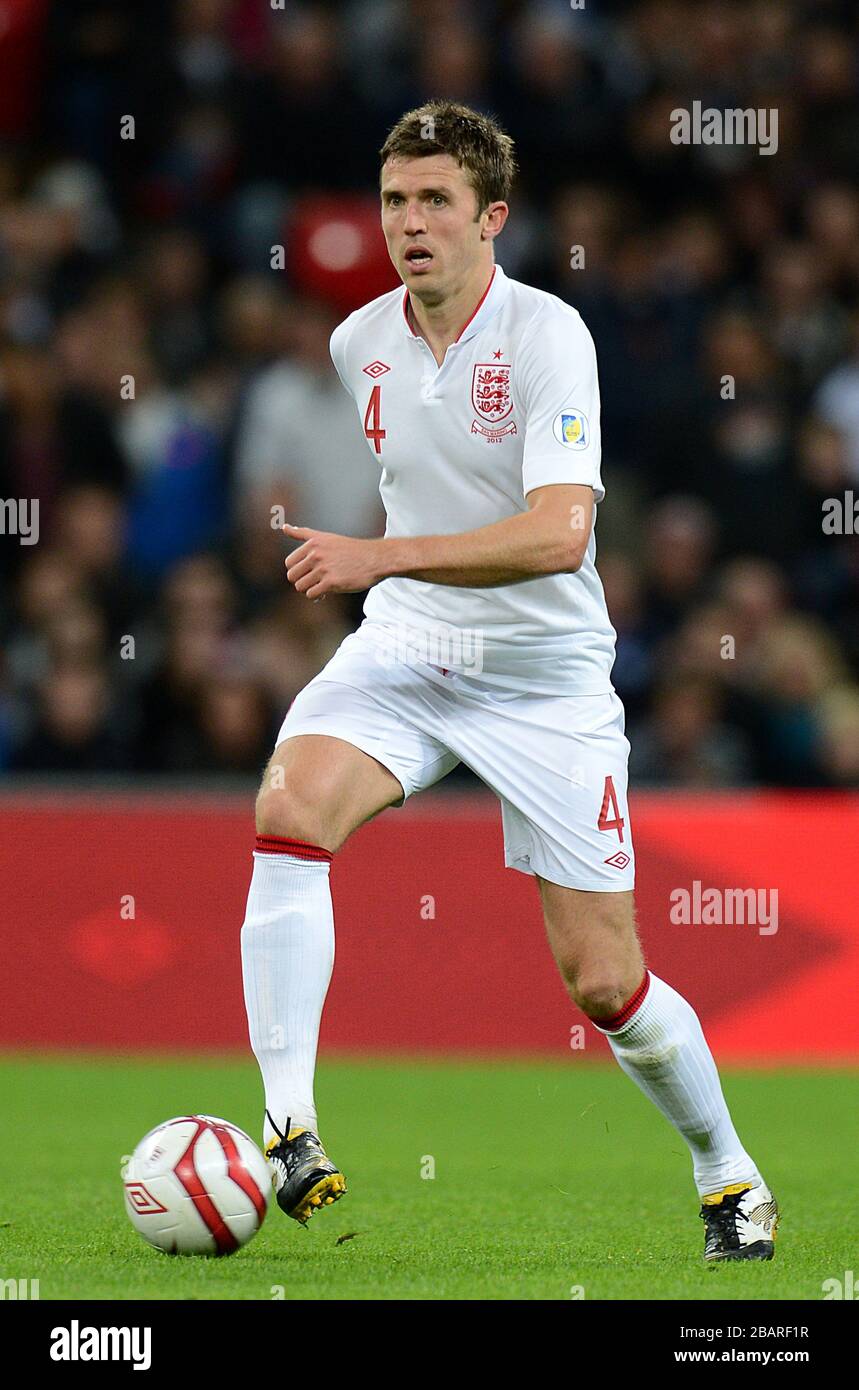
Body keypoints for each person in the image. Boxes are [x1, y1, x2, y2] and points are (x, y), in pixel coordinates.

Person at [240, 101, 779, 1261]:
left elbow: (555, 536)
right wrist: (390, 579)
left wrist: (375, 552)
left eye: (436, 201)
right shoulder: (358, 344)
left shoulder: (546, 337)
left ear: (492, 218)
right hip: (407, 648)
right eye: (394, 200)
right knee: (288, 808)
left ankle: (726, 1170)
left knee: (605, 983)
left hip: (543, 678)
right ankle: (289, 1126)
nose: (410, 224)